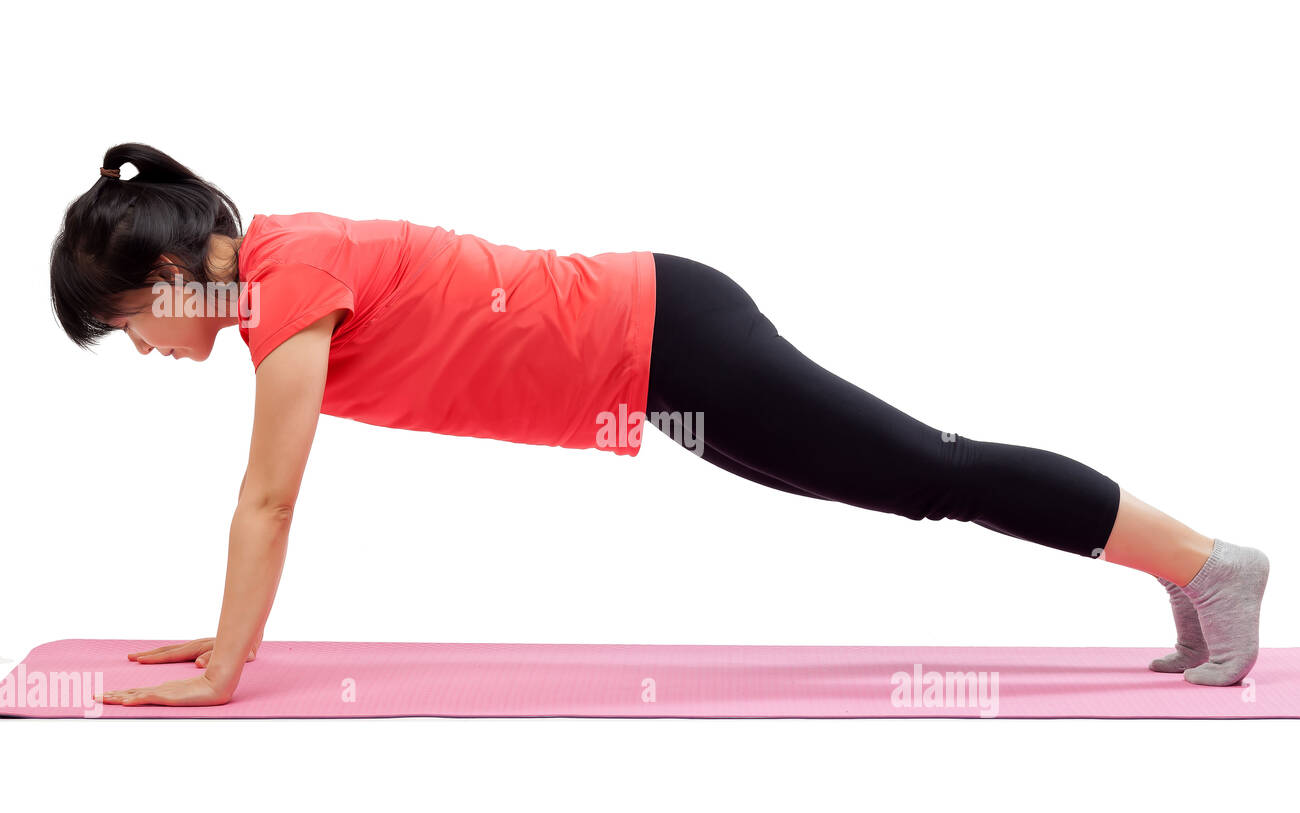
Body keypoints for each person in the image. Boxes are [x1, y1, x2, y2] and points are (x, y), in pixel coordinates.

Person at [49, 143, 1269, 707]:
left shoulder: (283, 277)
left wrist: (226, 664)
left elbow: (269, 493)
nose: (146, 353)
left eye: (126, 325)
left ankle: (1210, 565)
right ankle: (1185, 574)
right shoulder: (276, 281)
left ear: (166, 276)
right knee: (897, 478)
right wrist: (222, 642)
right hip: (649, 369)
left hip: (664, 332)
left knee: (920, 469)